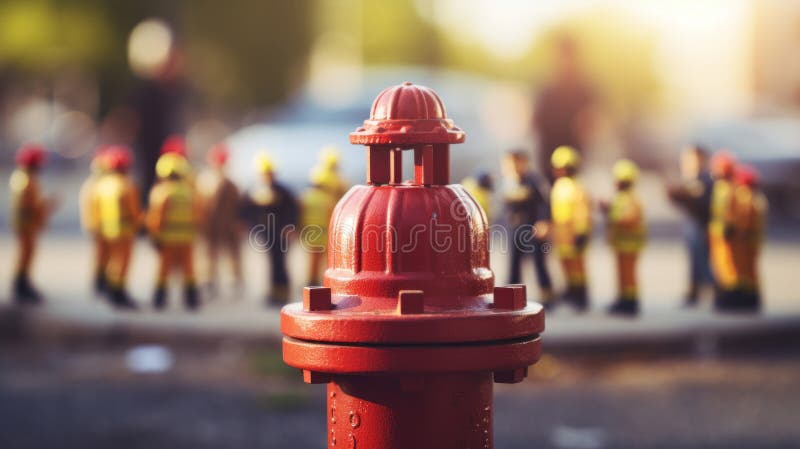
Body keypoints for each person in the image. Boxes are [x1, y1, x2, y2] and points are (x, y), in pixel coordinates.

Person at [533, 35, 596, 183]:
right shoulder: (547, 86)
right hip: (549, 154)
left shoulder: (583, 86)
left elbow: (589, 122)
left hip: (572, 154)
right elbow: (536, 120)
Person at [240, 153, 299, 307]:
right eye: (264, 174)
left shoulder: (282, 191)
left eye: (269, 173)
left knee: (280, 262)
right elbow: (247, 211)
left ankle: (283, 292)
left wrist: (290, 227)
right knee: (271, 262)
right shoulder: (254, 191)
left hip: (281, 233)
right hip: (266, 233)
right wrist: (250, 226)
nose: (266, 176)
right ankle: (273, 292)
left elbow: (292, 210)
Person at [146, 152, 201, 310]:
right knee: (189, 269)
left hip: (167, 238)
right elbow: (197, 215)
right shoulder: (189, 192)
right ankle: (191, 298)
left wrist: (154, 235)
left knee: (163, 269)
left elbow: (156, 217)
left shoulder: (161, 192)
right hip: (186, 238)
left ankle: (160, 298)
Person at [501, 151, 554, 305]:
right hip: (515, 228)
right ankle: (511, 296)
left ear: (523, 163)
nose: (510, 167)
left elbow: (544, 202)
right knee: (513, 263)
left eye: (514, 163)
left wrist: (544, 221)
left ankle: (547, 295)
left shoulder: (534, 180)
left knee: (538, 261)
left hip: (532, 228)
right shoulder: (508, 182)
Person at [93, 146, 141, 309]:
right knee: (123, 262)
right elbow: (134, 211)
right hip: (125, 230)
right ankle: (118, 293)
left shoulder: (103, 185)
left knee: (113, 261)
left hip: (107, 230)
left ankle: (111, 290)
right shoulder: (127, 186)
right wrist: (141, 223)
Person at [666, 145, 714, 306]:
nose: (685, 163)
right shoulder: (691, 179)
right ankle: (694, 290)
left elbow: (705, 203)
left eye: (689, 159)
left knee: (703, 259)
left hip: (701, 225)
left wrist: (687, 197)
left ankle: (712, 289)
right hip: (692, 225)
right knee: (694, 259)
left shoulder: (706, 180)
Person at [9, 144, 57, 304]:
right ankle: (21, 283)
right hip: (26, 224)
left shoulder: (23, 178)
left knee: (27, 254)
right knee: (26, 253)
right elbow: (31, 204)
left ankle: (23, 281)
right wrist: (46, 206)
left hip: (26, 223)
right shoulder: (26, 180)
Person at [196, 143, 243, 298]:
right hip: (211, 225)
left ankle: (235, 282)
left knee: (232, 255)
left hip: (228, 224)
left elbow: (238, 205)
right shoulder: (205, 181)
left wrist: (238, 222)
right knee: (210, 254)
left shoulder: (229, 183)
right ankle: (210, 282)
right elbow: (200, 204)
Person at [550, 145, 592, 311]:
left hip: (574, 234)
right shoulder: (558, 187)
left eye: (563, 167)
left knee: (577, 267)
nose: (560, 171)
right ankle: (572, 291)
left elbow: (582, 212)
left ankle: (581, 295)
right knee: (566, 265)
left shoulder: (577, 188)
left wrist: (581, 232)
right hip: (562, 236)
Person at [601, 159, 646, 316]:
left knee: (628, 276)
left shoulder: (631, 199)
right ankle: (622, 299)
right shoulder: (620, 197)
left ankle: (630, 303)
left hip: (630, 244)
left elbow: (629, 219)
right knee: (621, 274)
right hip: (621, 243)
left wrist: (613, 216)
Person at [730, 165, 767, 311]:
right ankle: (750, 296)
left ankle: (748, 298)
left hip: (747, 242)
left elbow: (745, 222)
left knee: (746, 271)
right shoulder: (756, 199)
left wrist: (737, 231)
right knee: (749, 271)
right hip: (751, 241)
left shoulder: (748, 199)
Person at [708, 151, 739, 311]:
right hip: (717, 233)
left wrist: (729, 227)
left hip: (725, 233)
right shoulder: (720, 187)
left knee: (729, 266)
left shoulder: (730, 188)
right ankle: (724, 293)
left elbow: (732, 211)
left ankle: (731, 294)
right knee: (720, 265)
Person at [80, 148, 111, 294]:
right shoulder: (93, 186)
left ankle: (103, 279)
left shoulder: (102, 185)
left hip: (105, 226)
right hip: (97, 227)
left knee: (105, 255)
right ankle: (98, 281)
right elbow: (88, 209)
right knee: (100, 255)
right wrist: (91, 225)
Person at [299, 169, 338, 285]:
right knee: (327, 259)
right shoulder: (328, 198)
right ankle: (325, 281)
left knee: (312, 259)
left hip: (309, 231)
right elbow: (330, 216)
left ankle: (311, 281)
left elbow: (301, 214)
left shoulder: (305, 196)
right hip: (324, 231)